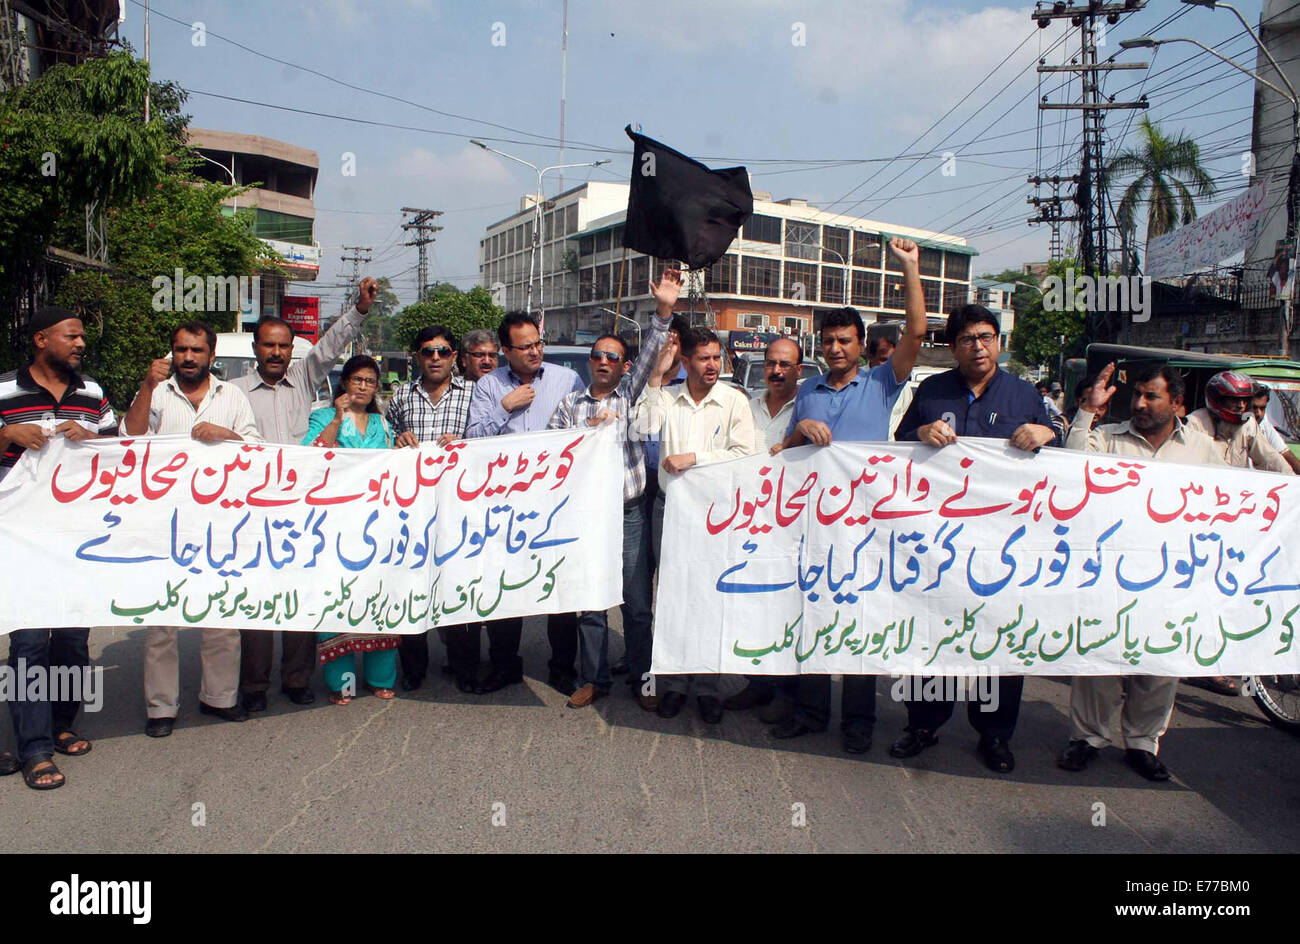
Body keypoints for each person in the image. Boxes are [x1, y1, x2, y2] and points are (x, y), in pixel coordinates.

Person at [768, 237, 927, 753]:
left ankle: (859, 722)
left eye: (846, 340)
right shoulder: (807, 391)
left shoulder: (883, 382)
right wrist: (800, 430)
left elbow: (918, 332)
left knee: (859, 619)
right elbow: (782, 452)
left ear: (862, 344)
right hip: (813, 525)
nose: (836, 348)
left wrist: (909, 268)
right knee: (813, 613)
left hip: (865, 528)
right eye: (829, 340)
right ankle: (812, 712)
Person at [888, 303, 1058, 773]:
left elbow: (1060, 454)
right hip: (940, 541)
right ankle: (923, 723)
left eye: (986, 337)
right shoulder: (932, 389)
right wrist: (920, 430)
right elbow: (898, 443)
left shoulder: (1025, 395)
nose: (977, 346)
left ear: (999, 342)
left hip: (1005, 544)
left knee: (1001, 633)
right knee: (933, 631)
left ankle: (995, 735)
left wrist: (1046, 431)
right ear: (953, 347)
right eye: (967, 339)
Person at [1058, 363, 1225, 781]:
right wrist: (1088, 412)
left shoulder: (1203, 450)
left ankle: (1142, 744)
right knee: (1097, 660)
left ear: (1178, 404)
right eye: (1137, 395)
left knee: (1159, 663)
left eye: (1152, 396)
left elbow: (1229, 503)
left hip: (1172, 575)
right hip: (1108, 571)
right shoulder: (1110, 439)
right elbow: (1071, 465)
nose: (1140, 403)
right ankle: (1088, 738)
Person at [229, 278, 380, 713]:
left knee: (297, 598)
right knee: (257, 602)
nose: (275, 353)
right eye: (268, 345)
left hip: (301, 509)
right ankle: (254, 687)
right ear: (255, 348)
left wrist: (360, 309)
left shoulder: (303, 378)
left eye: (283, 346)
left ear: (291, 350)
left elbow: (329, 348)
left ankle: (296, 679)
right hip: (254, 510)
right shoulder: (233, 392)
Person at [121, 321, 262, 738]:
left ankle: (219, 698)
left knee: (222, 614)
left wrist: (226, 434)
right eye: (180, 350)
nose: (187, 357)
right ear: (172, 353)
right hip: (164, 521)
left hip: (219, 522)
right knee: (162, 619)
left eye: (196, 351)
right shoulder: (157, 393)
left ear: (210, 356)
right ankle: (161, 708)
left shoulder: (231, 395)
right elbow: (128, 438)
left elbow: (255, 451)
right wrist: (146, 386)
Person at [548, 269, 679, 710]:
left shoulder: (630, 394)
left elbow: (652, 351)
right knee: (590, 603)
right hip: (586, 517)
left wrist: (663, 309)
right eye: (597, 355)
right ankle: (595, 678)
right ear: (590, 362)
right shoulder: (569, 406)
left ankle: (643, 679)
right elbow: (550, 456)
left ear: (624, 366)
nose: (604, 361)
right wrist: (585, 431)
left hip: (629, 512)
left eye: (613, 357)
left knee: (637, 603)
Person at [0, 308, 117, 789]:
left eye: (83, 337)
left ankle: (61, 723)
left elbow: (121, 456)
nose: (81, 344)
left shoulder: (92, 394)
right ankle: (34, 748)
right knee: (28, 642)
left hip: (77, 537)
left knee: (71, 638)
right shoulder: (4, 390)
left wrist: (91, 439)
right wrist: (5, 434)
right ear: (41, 338)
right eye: (72, 336)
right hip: (21, 537)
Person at [632, 325, 758, 723]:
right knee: (672, 598)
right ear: (684, 362)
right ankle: (673, 684)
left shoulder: (734, 401)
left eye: (716, 358)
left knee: (708, 600)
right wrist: (656, 376)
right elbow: (641, 427)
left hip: (716, 517)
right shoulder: (668, 398)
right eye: (702, 358)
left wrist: (696, 458)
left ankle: (707, 687)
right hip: (670, 510)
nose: (712, 365)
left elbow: (746, 455)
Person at [466, 313, 587, 696]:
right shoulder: (489, 385)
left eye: (538, 343)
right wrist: (506, 406)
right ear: (506, 351)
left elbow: (583, 435)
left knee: (560, 589)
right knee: (505, 586)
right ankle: (505, 666)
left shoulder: (567, 380)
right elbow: (471, 438)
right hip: (506, 505)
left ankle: (562, 668)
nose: (535, 351)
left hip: (555, 503)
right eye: (525, 346)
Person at [721, 336, 809, 724]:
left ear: (798, 371)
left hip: (791, 525)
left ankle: (789, 692)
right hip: (747, 523)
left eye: (784, 364)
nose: (775, 371)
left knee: (786, 610)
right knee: (751, 606)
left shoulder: (806, 411)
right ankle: (757, 683)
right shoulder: (745, 407)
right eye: (771, 363)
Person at [303, 355, 399, 705]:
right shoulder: (322, 416)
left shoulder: (381, 424)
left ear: (376, 387)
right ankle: (341, 684)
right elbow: (310, 457)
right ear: (344, 383)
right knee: (337, 604)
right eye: (356, 379)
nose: (362, 386)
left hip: (376, 526)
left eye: (369, 381)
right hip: (333, 527)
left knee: (378, 601)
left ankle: (380, 678)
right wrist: (338, 418)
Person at [386, 325, 477, 693]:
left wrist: (467, 442)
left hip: (458, 508)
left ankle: (464, 666)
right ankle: (413, 668)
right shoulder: (401, 396)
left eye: (442, 351)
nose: (435, 358)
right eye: (427, 352)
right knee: (412, 587)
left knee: (458, 588)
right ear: (417, 357)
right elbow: (383, 434)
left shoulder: (473, 393)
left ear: (454, 356)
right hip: (411, 510)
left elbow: (490, 436)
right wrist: (397, 440)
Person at [1185, 370, 1292, 475]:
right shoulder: (1194, 424)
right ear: (1218, 399)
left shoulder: (1248, 424)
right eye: (1234, 400)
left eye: (1245, 400)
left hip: (1237, 489)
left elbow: (1270, 458)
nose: (1241, 405)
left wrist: (1291, 480)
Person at [1250, 382, 1300, 474]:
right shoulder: (1236, 427)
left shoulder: (1265, 427)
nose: (1258, 413)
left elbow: (1285, 454)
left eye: (1262, 408)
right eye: (1254, 408)